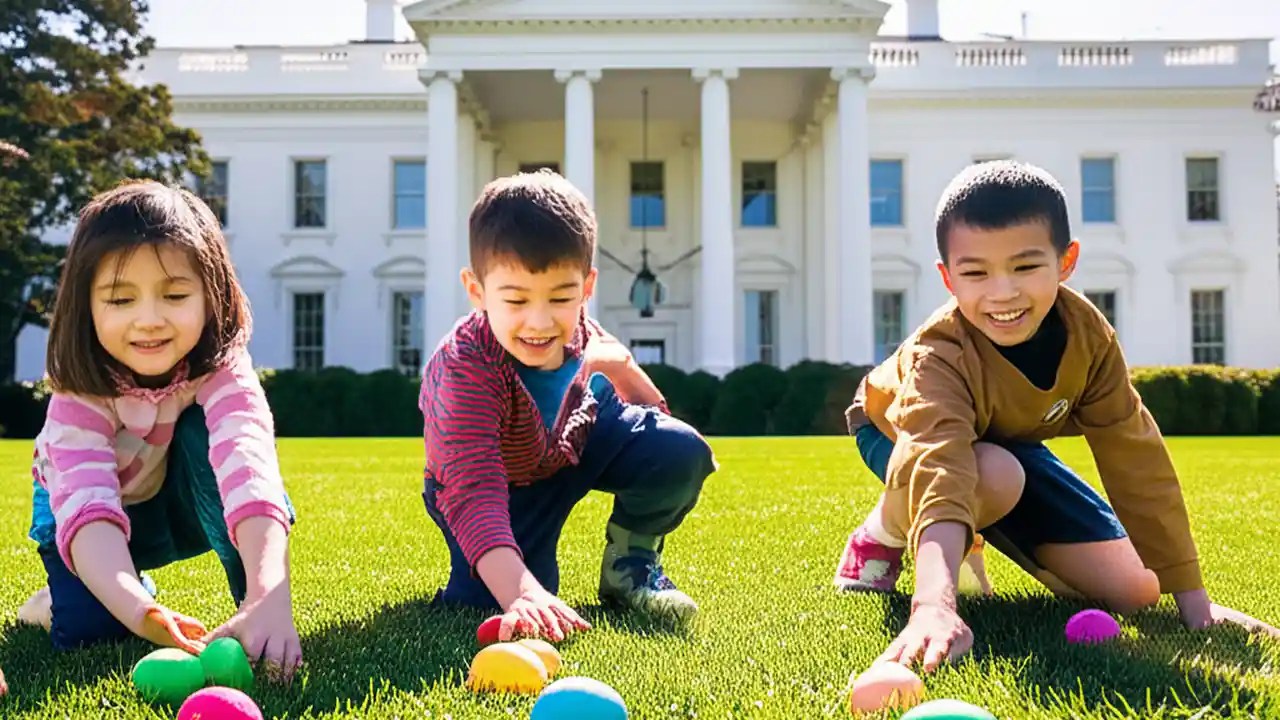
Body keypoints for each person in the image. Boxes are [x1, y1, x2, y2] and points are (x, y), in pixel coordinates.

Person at [834, 160, 1279, 671]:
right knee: (993, 474)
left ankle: (972, 519)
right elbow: (937, 464)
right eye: (975, 272)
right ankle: (882, 533)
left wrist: (1194, 603)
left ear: (1066, 260)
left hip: (1004, 443)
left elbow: (1137, 460)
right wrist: (935, 604)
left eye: (1025, 267)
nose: (1002, 293)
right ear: (947, 277)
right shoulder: (938, 356)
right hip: (898, 434)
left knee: (1138, 591)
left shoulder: (1088, 336)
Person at [15, 180, 303, 679]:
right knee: (91, 631)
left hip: (171, 498)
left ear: (212, 296)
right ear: (86, 305)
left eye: (174, 294)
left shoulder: (221, 368)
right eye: (120, 300)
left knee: (208, 435)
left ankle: (250, 606)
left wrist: (269, 592)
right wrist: (139, 613)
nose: (149, 320)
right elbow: (88, 510)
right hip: (87, 516)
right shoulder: (78, 393)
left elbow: (249, 467)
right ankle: (54, 603)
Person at [420, 170, 717, 642]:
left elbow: (657, 423)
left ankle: (630, 565)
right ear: (476, 291)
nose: (539, 322)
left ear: (587, 286)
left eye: (561, 297)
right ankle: (495, 581)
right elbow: (473, 490)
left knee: (680, 451)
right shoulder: (463, 370)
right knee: (492, 598)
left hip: (570, 451)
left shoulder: (586, 334)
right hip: (498, 484)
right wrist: (521, 594)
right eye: (515, 299)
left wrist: (623, 371)